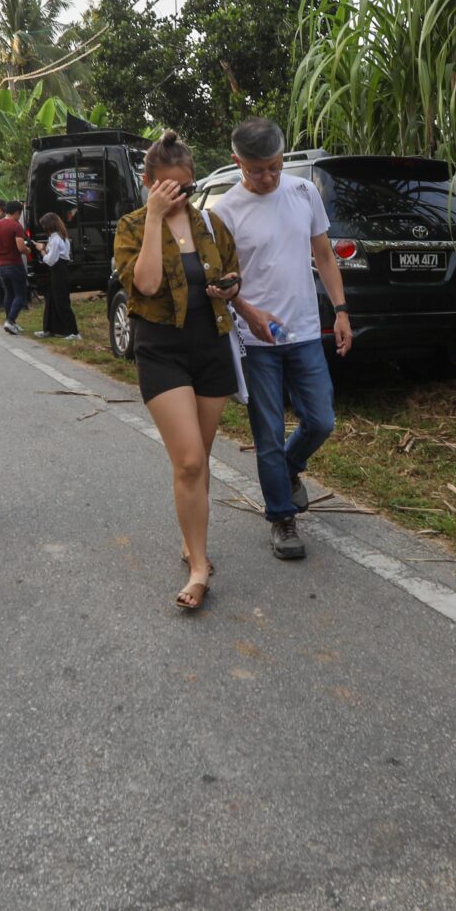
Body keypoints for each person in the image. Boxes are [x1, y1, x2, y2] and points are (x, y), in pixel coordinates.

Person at [112, 131, 243, 610]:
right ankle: (198, 568)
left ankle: (193, 541)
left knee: (199, 461)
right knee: (188, 460)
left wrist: (228, 288)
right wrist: (153, 217)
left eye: (185, 188)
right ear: (148, 183)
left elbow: (232, 273)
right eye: (166, 188)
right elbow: (144, 285)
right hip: (161, 350)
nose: (177, 196)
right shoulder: (131, 227)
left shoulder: (210, 225)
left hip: (210, 347)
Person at [210, 116, 352, 560]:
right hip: (255, 341)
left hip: (304, 331)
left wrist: (341, 310)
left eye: (275, 166)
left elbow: (324, 255)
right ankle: (281, 517)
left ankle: (289, 468)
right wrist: (248, 316)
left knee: (321, 419)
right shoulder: (222, 212)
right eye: (257, 170)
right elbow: (220, 282)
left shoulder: (303, 192)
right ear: (237, 163)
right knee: (268, 433)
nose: (269, 177)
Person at [36, 211, 81, 340]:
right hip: (56, 272)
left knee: (61, 301)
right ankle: (50, 328)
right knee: (51, 300)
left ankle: (73, 332)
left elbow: (51, 260)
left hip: (59, 271)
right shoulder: (58, 238)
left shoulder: (56, 239)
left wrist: (42, 250)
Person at [0, 198, 33, 334]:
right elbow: (21, 247)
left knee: (9, 293)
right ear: (16, 212)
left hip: (0, 264)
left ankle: (10, 322)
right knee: (20, 295)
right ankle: (10, 321)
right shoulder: (16, 226)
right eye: (19, 213)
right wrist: (29, 251)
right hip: (14, 264)